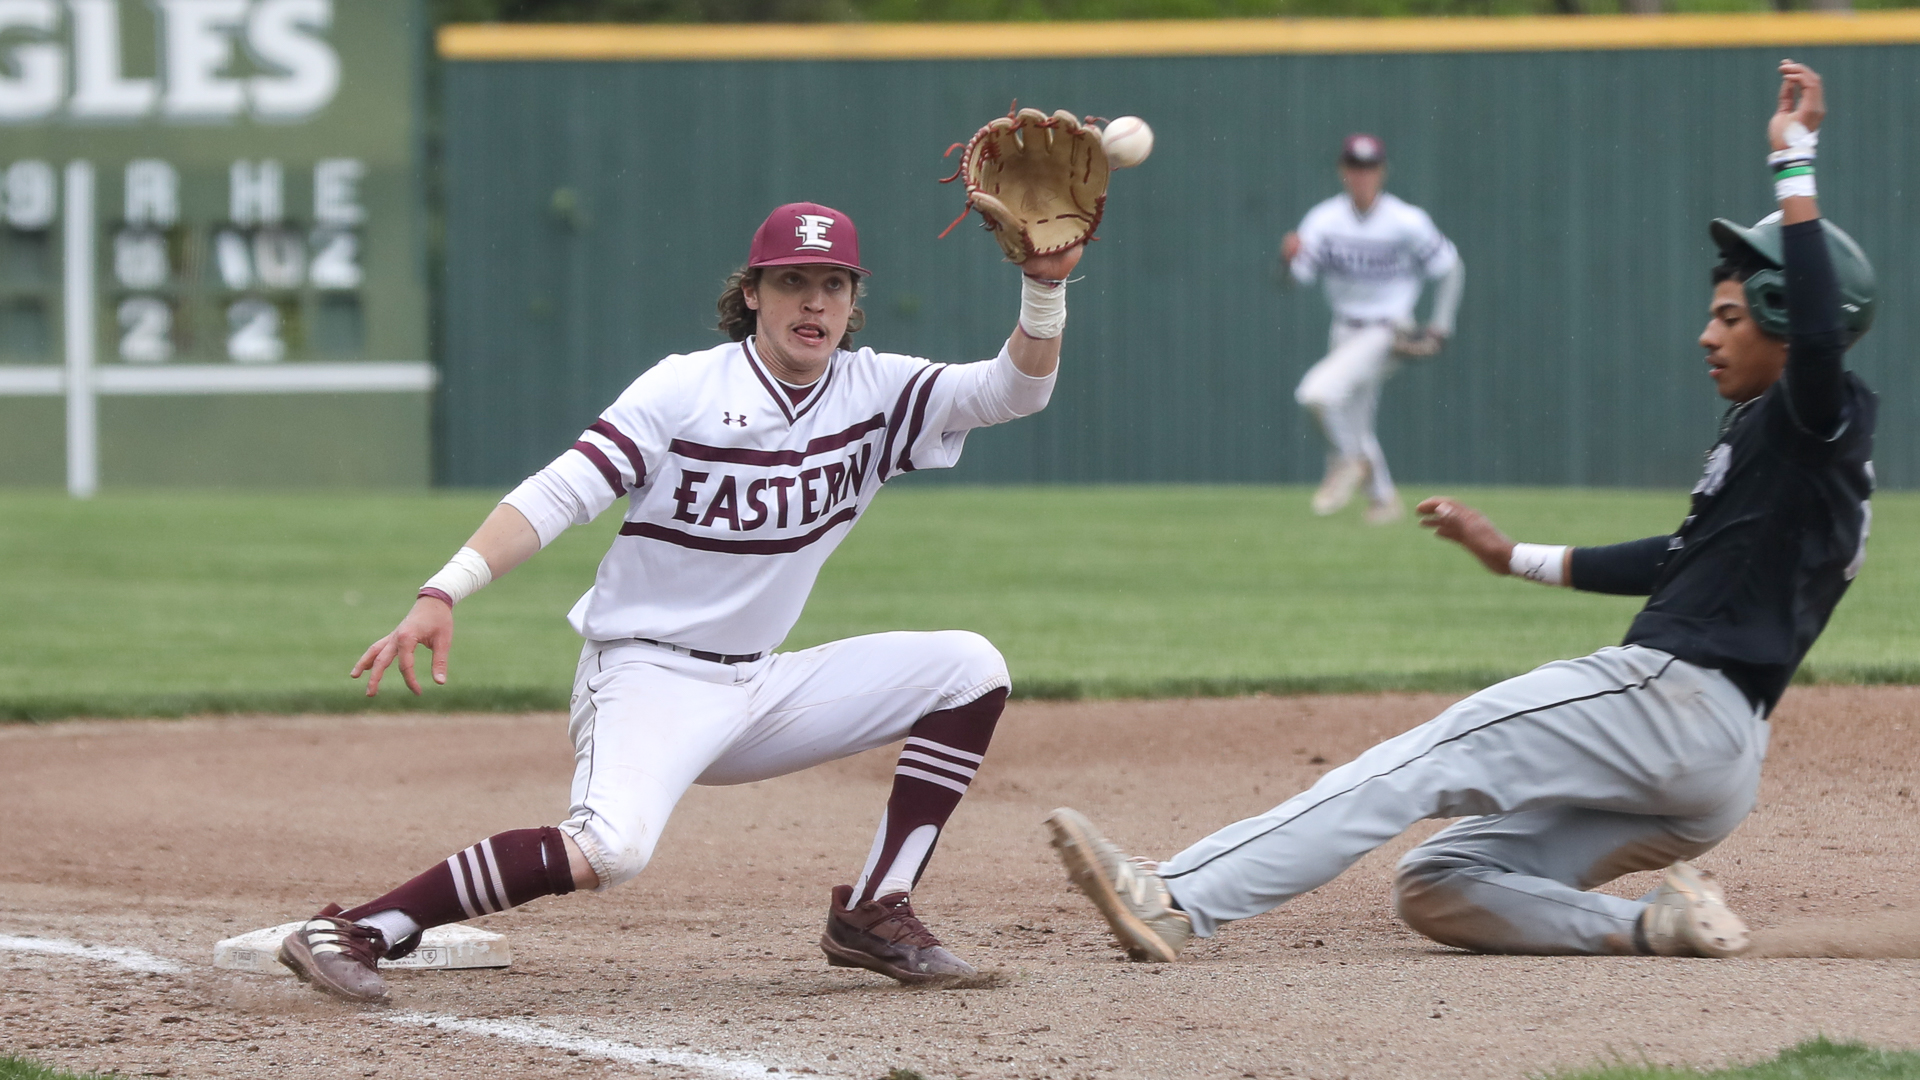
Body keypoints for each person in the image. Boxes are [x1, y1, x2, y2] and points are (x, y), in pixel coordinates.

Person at [1051, 61, 1874, 962]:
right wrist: (1512, 554)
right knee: (1441, 885)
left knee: (1429, 755)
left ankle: (1175, 895)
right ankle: (1656, 924)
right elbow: (1676, 556)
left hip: (1670, 699)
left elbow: (1822, 335)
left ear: (1784, 311)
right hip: (1715, 769)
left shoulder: (1819, 411)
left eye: (1730, 315)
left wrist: (1796, 159)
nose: (1707, 335)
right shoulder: (1792, 447)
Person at [276, 202, 1086, 1001]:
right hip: (646, 678)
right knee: (609, 850)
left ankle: (876, 910)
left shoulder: (877, 390)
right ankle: (359, 930)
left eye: (833, 285)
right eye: (793, 281)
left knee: (968, 668)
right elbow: (560, 493)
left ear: (851, 303)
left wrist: (1043, 289)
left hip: (757, 687)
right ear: (752, 296)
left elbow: (1015, 392)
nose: (814, 302)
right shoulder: (685, 389)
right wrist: (442, 590)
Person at [1282, 133, 1464, 524]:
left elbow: (1450, 268)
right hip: (1345, 330)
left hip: (1389, 331)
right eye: (1354, 166)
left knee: (1317, 394)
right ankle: (1382, 500)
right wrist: (1287, 263)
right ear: (1342, 171)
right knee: (1355, 421)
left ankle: (1347, 462)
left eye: (1369, 167)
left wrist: (1440, 327)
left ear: (1381, 171)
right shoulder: (1323, 219)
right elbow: (1298, 277)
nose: (1361, 175)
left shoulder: (1405, 221)